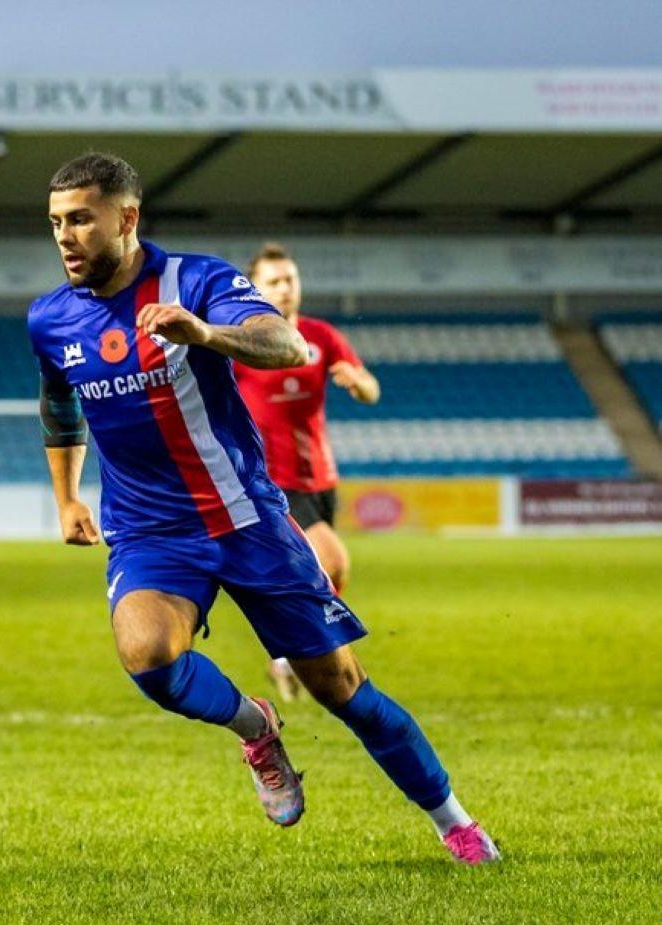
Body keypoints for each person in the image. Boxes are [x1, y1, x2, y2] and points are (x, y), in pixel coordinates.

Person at [28, 152, 497, 864]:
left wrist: (207, 335)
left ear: (126, 218)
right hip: (151, 531)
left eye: (81, 220)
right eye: (57, 222)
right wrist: (65, 498)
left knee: (341, 687)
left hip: (247, 518)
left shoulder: (198, 279)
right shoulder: (48, 318)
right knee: (147, 655)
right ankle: (256, 728)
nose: (65, 236)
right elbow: (57, 402)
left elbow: (286, 342)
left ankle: (452, 820)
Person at [234, 243, 381, 701]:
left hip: (321, 479)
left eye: (290, 279)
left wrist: (359, 385)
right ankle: (311, 653)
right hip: (271, 482)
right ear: (255, 289)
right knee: (333, 561)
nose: (285, 288)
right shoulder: (241, 345)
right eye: (274, 281)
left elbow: (372, 390)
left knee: (317, 574)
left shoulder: (320, 336)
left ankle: (286, 656)